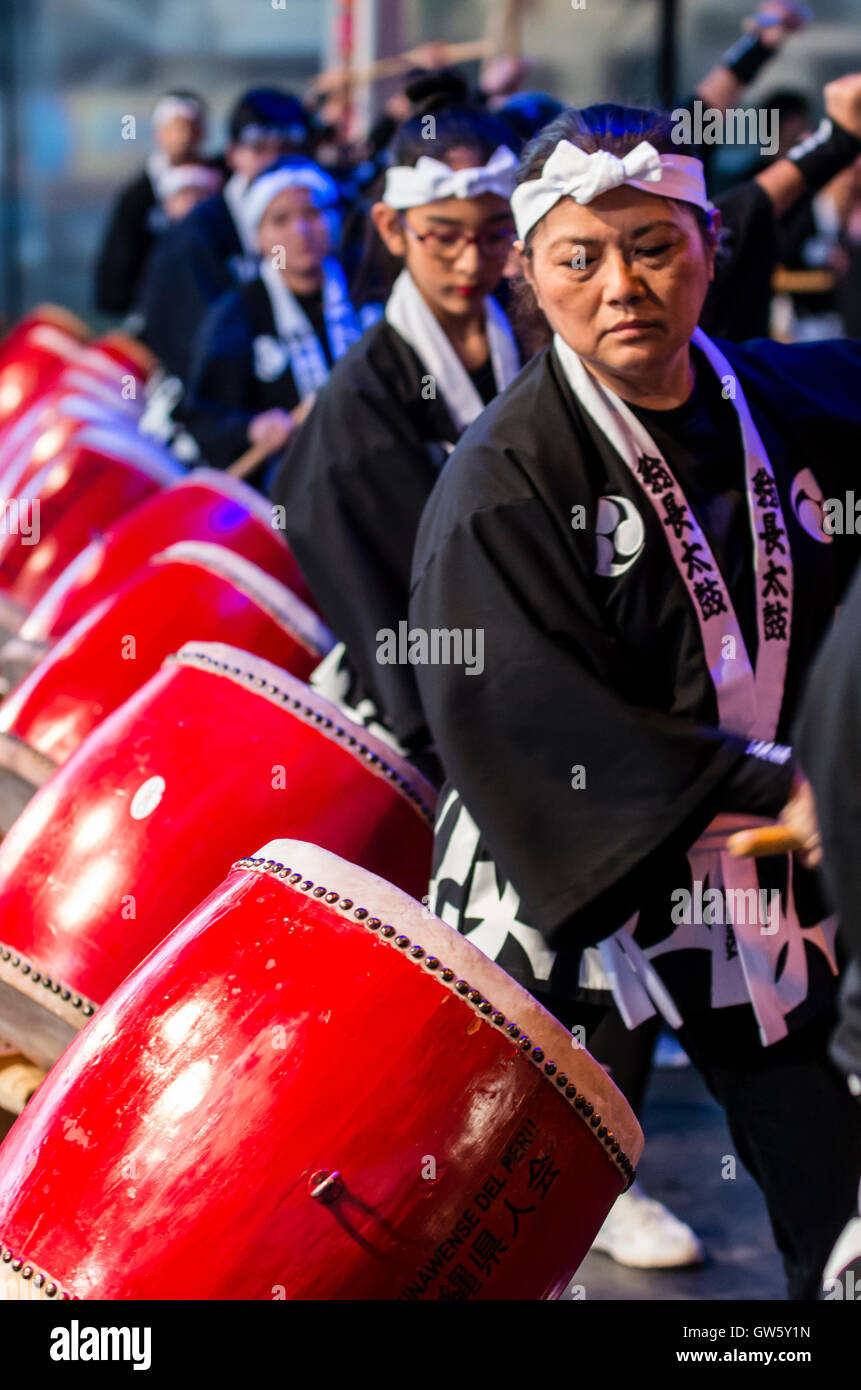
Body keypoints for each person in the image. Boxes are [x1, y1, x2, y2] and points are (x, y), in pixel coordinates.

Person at [408, 101, 861, 1300]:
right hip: (567, 882)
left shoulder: (804, 410)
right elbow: (525, 718)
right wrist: (789, 781)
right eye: (582, 255)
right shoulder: (501, 483)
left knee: (839, 1190)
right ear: (531, 271)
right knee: (483, 1222)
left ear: (711, 247)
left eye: (654, 247)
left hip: (769, 879)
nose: (623, 285)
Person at [269, 88, 521, 774]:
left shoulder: (534, 333)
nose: (471, 263)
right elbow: (379, 607)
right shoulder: (357, 408)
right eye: (442, 235)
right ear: (389, 227)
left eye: (495, 233)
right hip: (444, 719)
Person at [176, 156, 367, 486]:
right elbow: (202, 416)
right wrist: (253, 428)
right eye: (280, 220)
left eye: (314, 213)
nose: (301, 230)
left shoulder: (369, 290)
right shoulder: (239, 312)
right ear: (258, 237)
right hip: (289, 488)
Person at [137, 87, 312, 383]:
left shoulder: (329, 224)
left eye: (287, 149)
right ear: (232, 155)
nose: (275, 163)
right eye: (259, 149)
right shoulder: (192, 239)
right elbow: (193, 356)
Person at [94, 90, 207, 319]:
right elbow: (117, 269)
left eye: (191, 128)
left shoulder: (222, 181)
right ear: (160, 133)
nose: (184, 137)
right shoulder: (137, 197)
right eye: (176, 128)